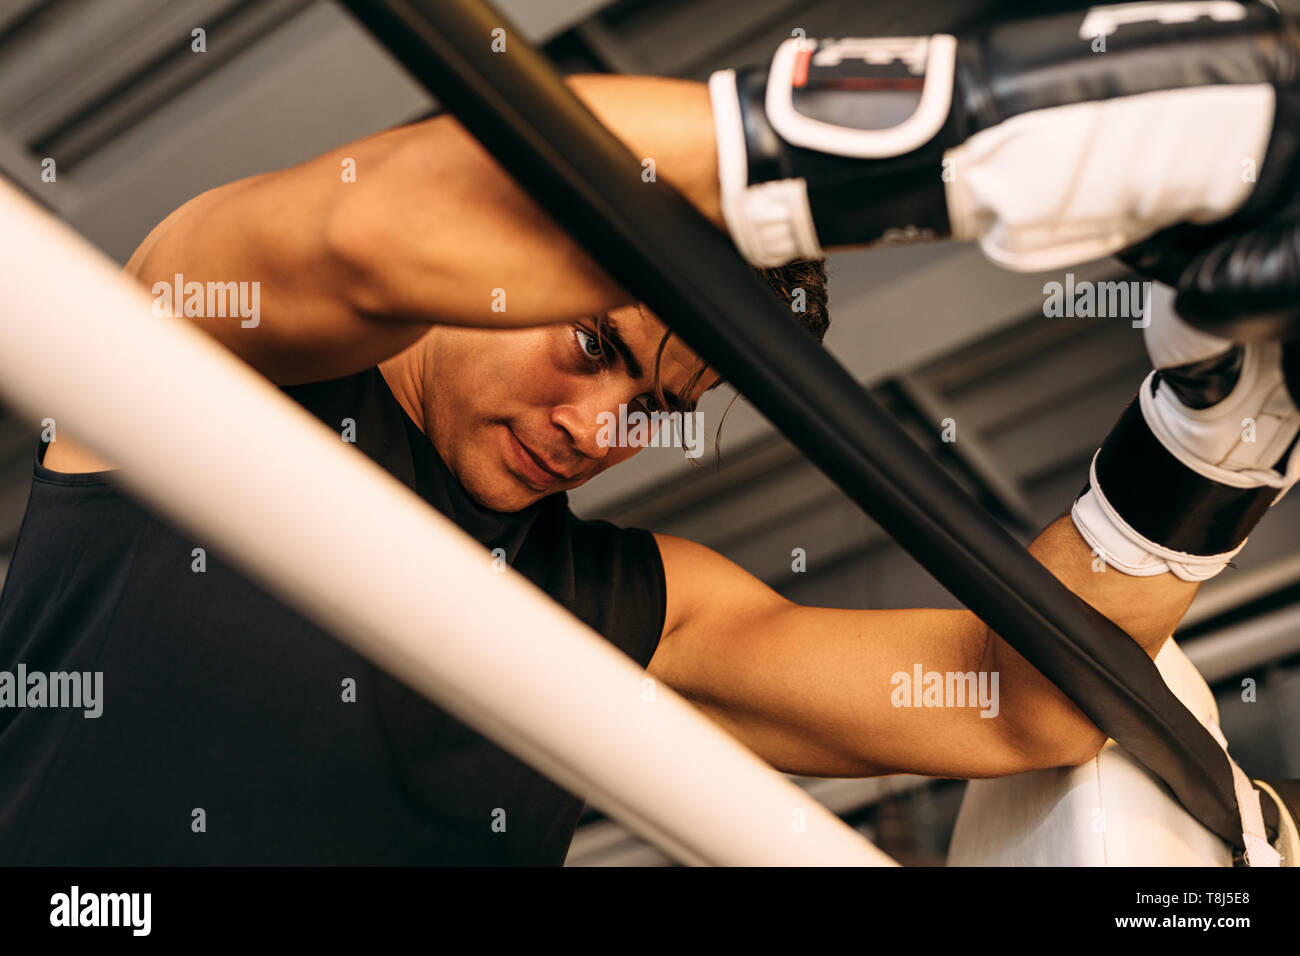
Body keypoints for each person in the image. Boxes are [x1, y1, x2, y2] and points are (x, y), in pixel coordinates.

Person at [1, 3, 1296, 865]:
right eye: (593, 348)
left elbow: (1017, 707)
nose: (602, 429)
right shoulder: (216, 357)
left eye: (657, 409)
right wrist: (975, 128)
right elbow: (367, 229)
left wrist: (1215, 433)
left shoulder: (628, 603)